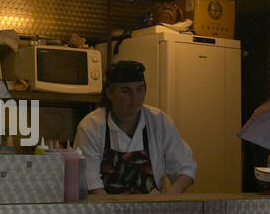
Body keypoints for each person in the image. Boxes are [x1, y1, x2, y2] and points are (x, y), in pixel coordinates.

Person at [74, 60, 195, 196]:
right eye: (126, 91)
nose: (135, 98)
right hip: (104, 209)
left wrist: (169, 197)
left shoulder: (159, 121)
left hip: (152, 211)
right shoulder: (91, 126)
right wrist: (109, 212)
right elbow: (89, 178)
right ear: (109, 93)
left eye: (140, 89)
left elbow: (185, 168)